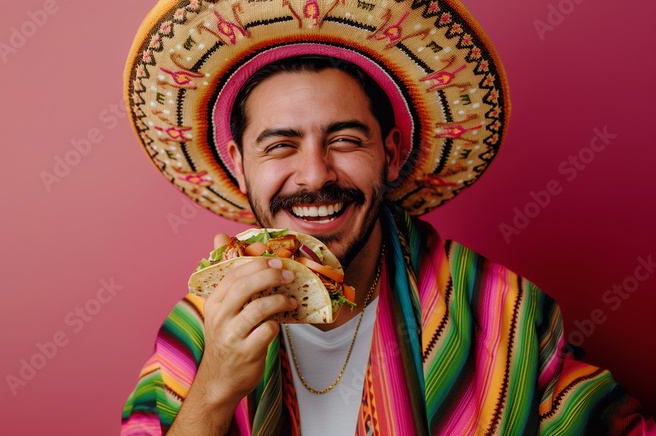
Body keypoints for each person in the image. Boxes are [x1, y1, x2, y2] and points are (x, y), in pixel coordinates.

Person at [119, 0, 654, 434]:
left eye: (345, 140)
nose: (314, 175)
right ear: (239, 165)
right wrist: (214, 388)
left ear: (391, 153)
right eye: (280, 146)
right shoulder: (200, 325)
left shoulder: (503, 310)